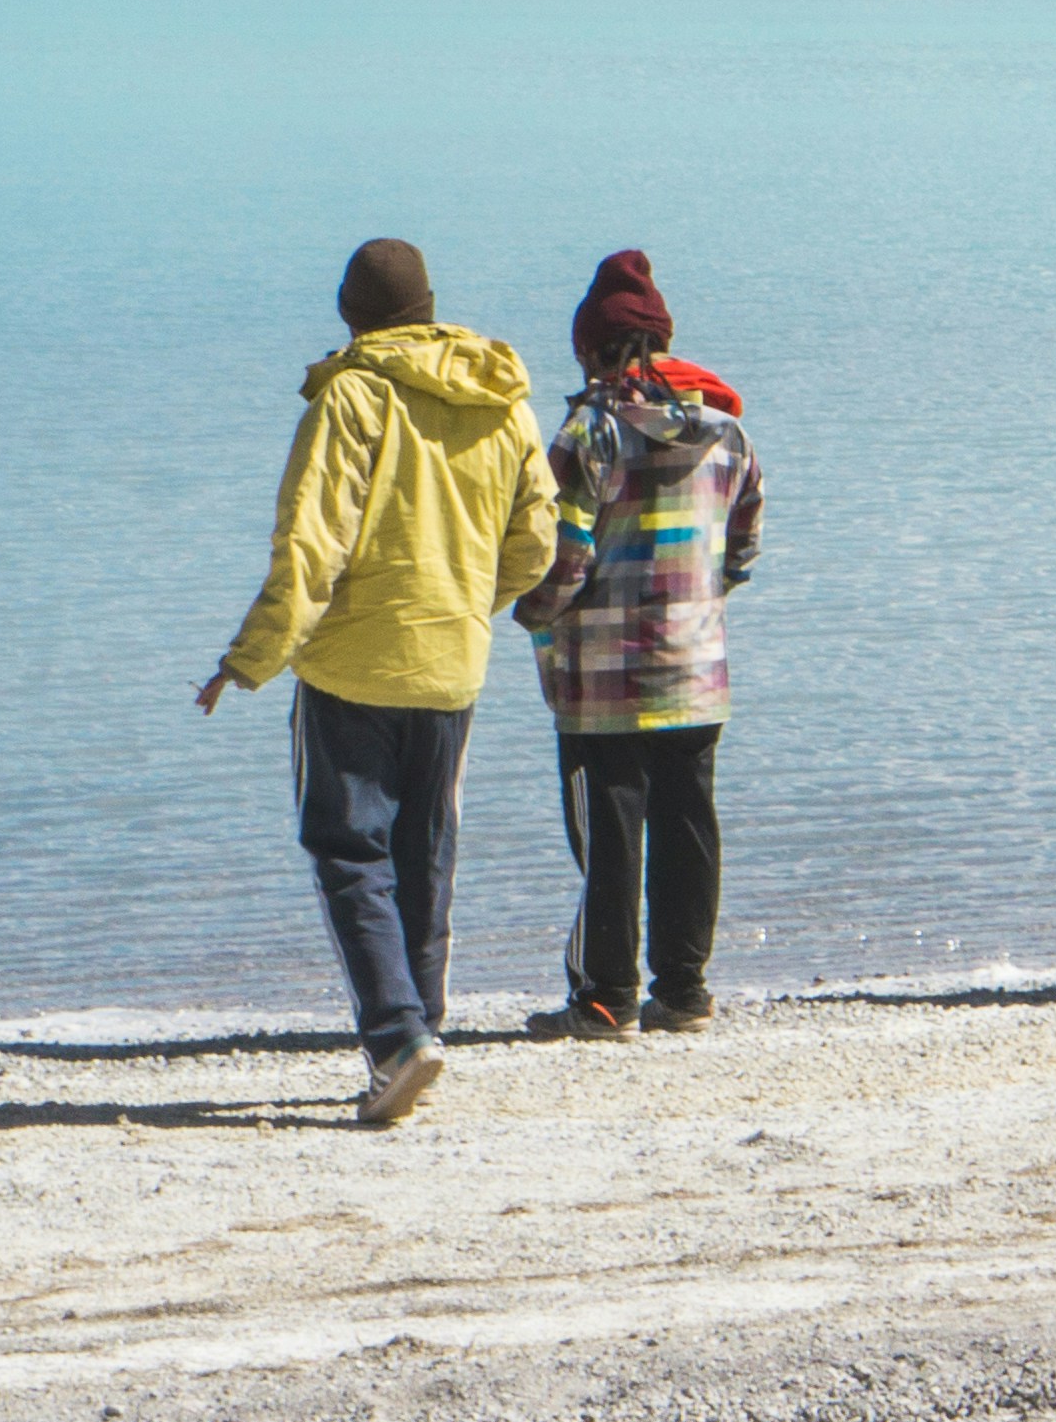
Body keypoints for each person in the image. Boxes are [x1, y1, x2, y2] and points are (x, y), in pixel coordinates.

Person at [198, 237, 558, 1129]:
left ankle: (398, 1042)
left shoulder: (353, 396)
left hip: (353, 665)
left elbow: (309, 545)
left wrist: (250, 657)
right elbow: (537, 539)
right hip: (452, 663)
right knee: (424, 853)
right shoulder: (503, 396)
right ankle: (421, 1031)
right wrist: (473, 603)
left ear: (349, 315)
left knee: (350, 851)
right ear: (430, 306)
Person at [516, 246, 766, 1039]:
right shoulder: (729, 432)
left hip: (603, 683)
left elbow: (566, 556)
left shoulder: (587, 433)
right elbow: (743, 550)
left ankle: (604, 998)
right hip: (696, 671)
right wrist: (697, 602)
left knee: (609, 838)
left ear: (590, 348)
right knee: (690, 828)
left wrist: (532, 613)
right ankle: (685, 992)